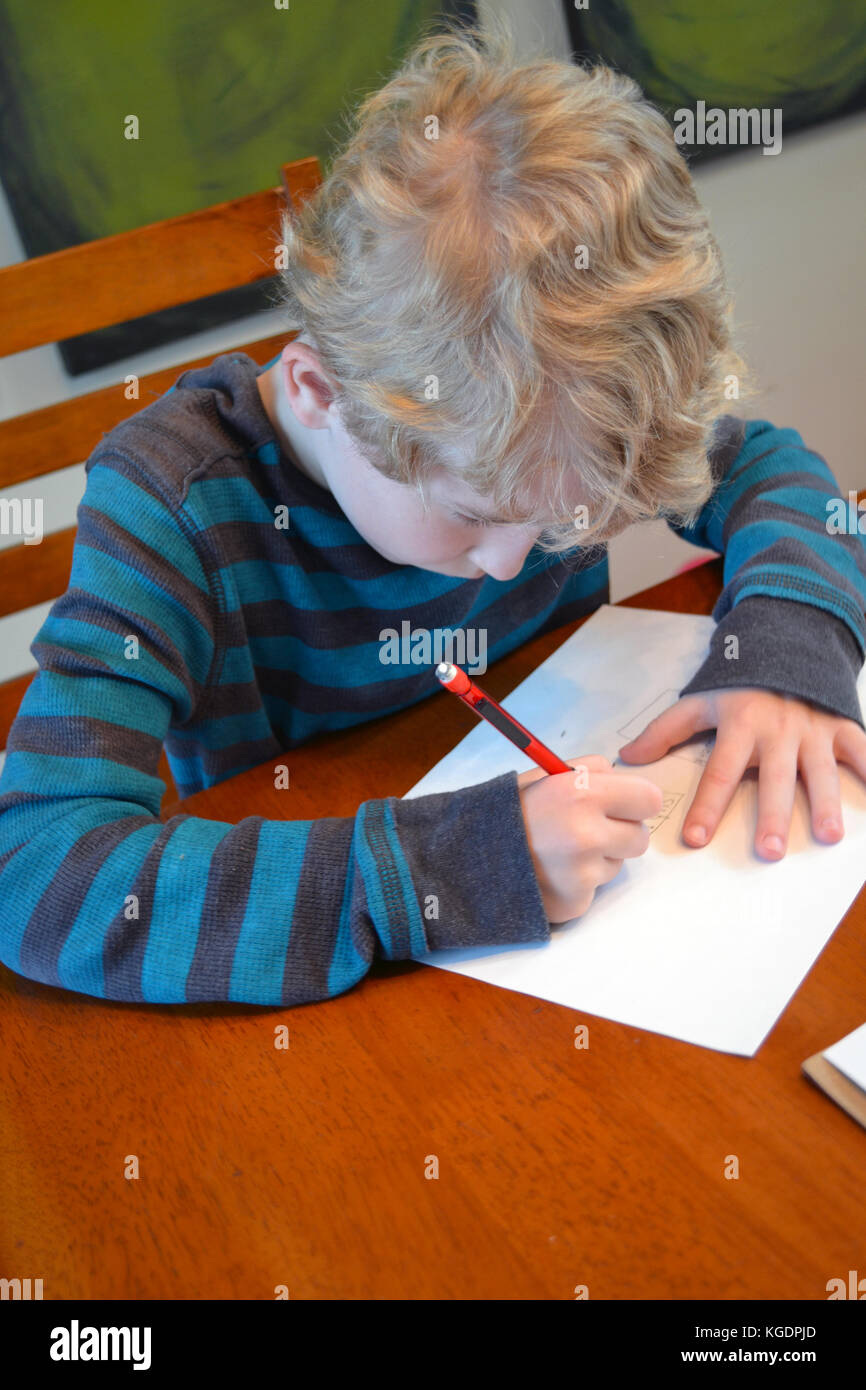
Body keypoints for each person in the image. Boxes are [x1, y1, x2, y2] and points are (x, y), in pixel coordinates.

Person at [1, 16, 864, 1005]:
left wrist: (790, 649)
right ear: (321, 391)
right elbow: (38, 872)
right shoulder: (173, 509)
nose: (510, 563)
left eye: (558, 526)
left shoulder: (559, 418)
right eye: (469, 514)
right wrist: (435, 876)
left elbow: (769, 472)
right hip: (346, 990)